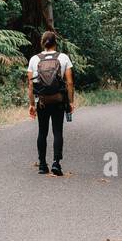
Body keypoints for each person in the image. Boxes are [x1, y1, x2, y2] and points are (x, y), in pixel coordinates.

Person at [28, 29, 74, 175]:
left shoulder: (34, 59)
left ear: (43, 43)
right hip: (58, 100)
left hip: (41, 101)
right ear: (56, 42)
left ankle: (42, 164)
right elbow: (70, 82)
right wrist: (71, 102)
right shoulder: (64, 57)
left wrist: (31, 104)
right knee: (57, 131)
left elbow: (30, 85)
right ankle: (56, 163)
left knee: (42, 132)